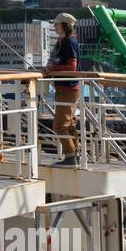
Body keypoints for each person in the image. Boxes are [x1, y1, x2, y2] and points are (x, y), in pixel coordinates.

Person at [43, 12, 81, 166]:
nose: (54, 26)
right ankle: (75, 154)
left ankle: (71, 156)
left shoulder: (69, 42)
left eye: (57, 24)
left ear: (65, 25)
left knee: (59, 125)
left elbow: (72, 67)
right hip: (65, 88)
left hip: (68, 89)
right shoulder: (62, 42)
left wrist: (53, 68)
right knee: (69, 124)